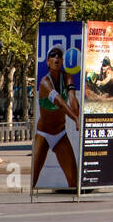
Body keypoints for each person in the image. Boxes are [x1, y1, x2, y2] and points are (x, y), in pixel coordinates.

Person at [32, 46, 80, 188]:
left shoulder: (67, 77)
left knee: (73, 181)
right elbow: (60, 102)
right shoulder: (44, 83)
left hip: (60, 133)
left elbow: (72, 102)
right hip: (43, 134)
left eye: (59, 56)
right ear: (47, 61)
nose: (57, 58)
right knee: (34, 177)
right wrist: (75, 118)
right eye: (53, 56)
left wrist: (72, 96)